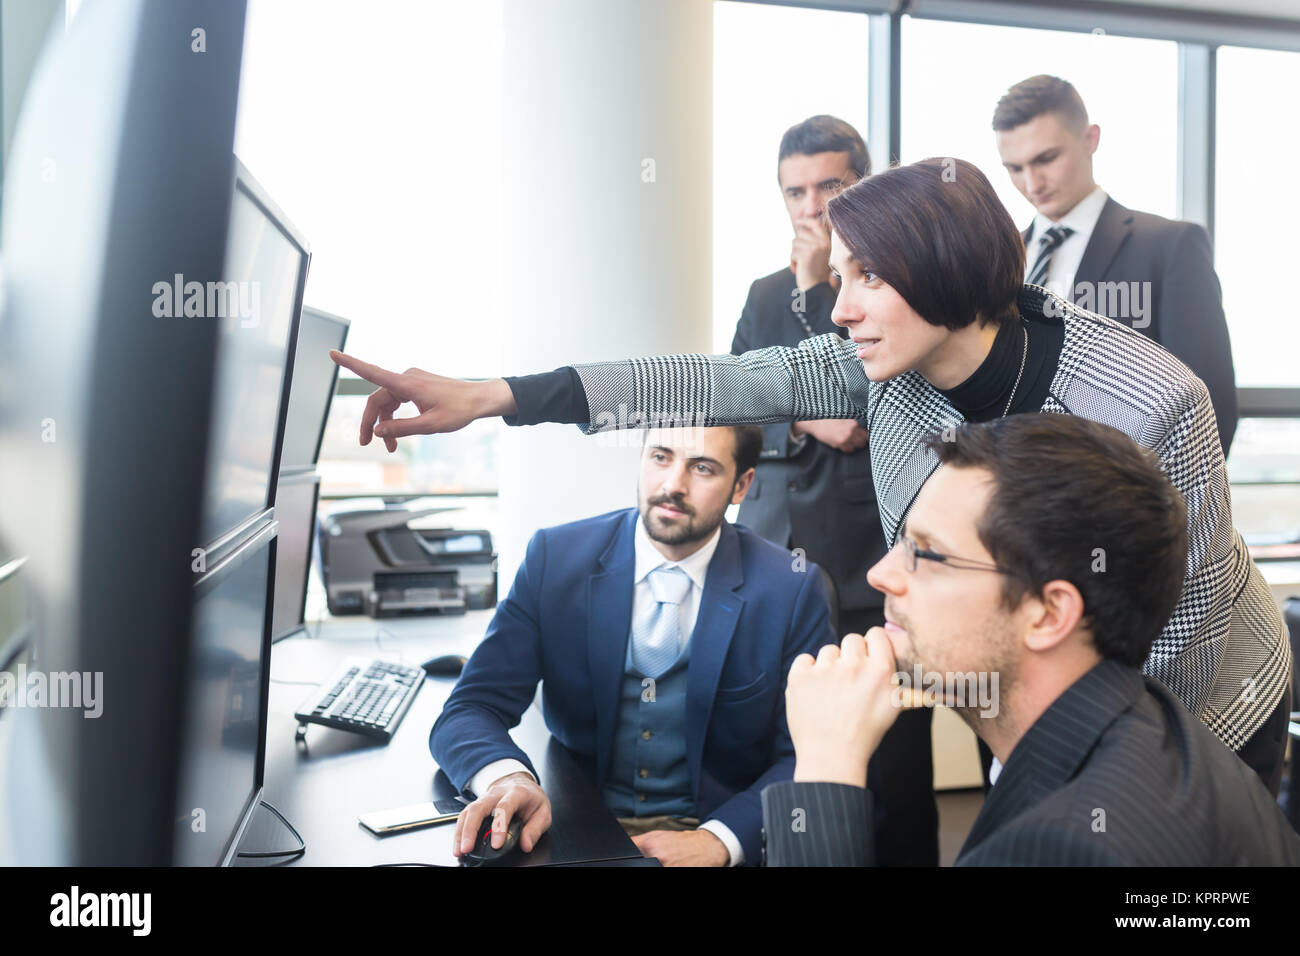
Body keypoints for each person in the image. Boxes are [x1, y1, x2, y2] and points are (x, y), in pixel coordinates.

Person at [328, 156, 1290, 796]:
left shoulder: (1148, 401)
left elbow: (1180, 630)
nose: (838, 308)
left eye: (867, 276)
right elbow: (716, 378)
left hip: (1207, 702)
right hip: (1041, 702)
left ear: (945, 270)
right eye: (841, 276)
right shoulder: (888, 372)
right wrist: (496, 394)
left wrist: (1042, 772)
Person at [761, 415, 1300, 866]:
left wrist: (825, 769)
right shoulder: (1151, 718)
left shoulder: (1065, 846)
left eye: (925, 553)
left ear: (1048, 615)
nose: (880, 574)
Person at [430, 425, 835, 867]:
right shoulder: (556, 558)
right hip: (571, 828)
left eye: (702, 468)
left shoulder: (790, 588)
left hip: (714, 830)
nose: (672, 485)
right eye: (660, 457)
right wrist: (510, 778)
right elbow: (471, 707)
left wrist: (721, 840)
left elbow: (813, 754)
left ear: (742, 485)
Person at [729, 114, 937, 867]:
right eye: (795, 192)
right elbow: (738, 411)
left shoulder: (895, 289)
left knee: (891, 763)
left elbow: (859, 406)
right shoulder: (759, 296)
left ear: (863, 187)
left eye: (830, 187)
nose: (811, 208)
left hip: (862, 564)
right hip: (773, 552)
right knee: (790, 752)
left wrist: (821, 286)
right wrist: (805, 421)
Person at [994, 74, 1238, 453]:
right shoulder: (1001, 260)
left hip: (1131, 496)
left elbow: (1211, 403)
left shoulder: (1170, 247)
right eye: (1014, 168)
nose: (1032, 183)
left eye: (1047, 158)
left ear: (1090, 139)